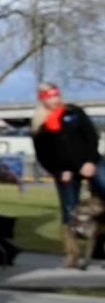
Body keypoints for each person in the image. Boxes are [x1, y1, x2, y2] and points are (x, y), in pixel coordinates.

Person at [32, 82, 104, 270]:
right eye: (50, 97)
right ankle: (72, 255)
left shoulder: (74, 112)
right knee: (69, 211)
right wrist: (59, 172)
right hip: (66, 172)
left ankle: (98, 246)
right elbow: (43, 156)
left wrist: (89, 161)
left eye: (56, 95)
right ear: (43, 100)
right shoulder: (41, 126)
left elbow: (91, 136)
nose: (55, 100)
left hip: (90, 163)